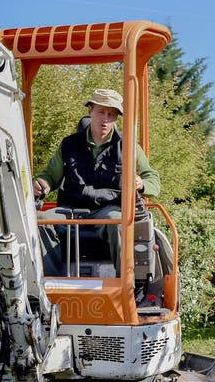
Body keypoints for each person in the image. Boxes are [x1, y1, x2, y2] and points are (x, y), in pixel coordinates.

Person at [33, 88, 160, 274]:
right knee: (41, 221)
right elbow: (50, 176)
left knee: (118, 221)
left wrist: (141, 183)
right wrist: (42, 184)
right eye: (101, 112)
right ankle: (51, 284)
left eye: (111, 114)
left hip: (108, 210)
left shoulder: (129, 146)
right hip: (72, 209)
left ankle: (125, 284)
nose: (106, 119)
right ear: (90, 111)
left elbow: (153, 179)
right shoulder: (69, 144)